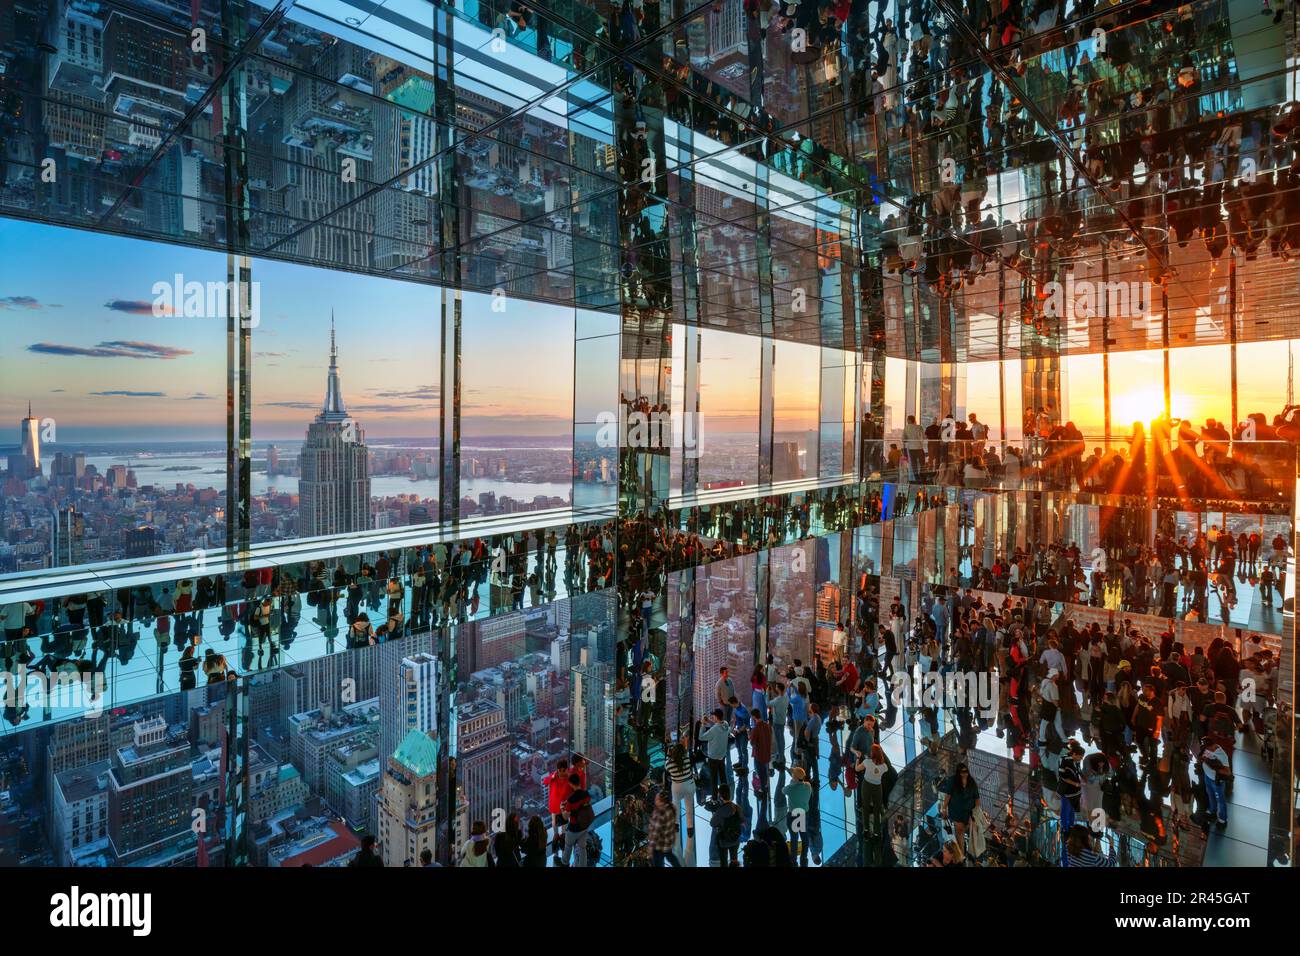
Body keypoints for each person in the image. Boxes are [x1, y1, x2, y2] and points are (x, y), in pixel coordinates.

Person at [940, 762, 980, 852]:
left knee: (970, 832)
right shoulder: (952, 781)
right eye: (962, 772)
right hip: (956, 812)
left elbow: (977, 798)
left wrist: (975, 813)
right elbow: (948, 796)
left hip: (968, 812)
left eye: (966, 771)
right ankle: (961, 854)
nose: (964, 773)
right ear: (958, 772)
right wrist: (944, 809)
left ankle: (969, 853)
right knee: (960, 831)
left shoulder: (971, 782)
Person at [561, 774, 594, 866]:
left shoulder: (571, 799)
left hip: (574, 828)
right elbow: (583, 805)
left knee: (568, 846)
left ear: (571, 784)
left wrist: (562, 808)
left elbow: (565, 817)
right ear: (579, 782)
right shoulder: (586, 794)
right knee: (582, 848)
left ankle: (564, 863)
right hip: (584, 826)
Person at [647, 790, 682, 866]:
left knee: (659, 862)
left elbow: (654, 836)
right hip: (669, 841)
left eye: (656, 798)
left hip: (659, 846)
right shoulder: (672, 807)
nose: (655, 800)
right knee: (670, 856)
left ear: (661, 802)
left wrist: (650, 852)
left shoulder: (660, 814)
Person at [710, 783, 742, 866]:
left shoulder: (720, 811)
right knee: (734, 860)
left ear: (720, 796)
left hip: (724, 841)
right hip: (735, 838)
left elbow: (712, 823)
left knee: (723, 861)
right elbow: (742, 820)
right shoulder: (737, 807)